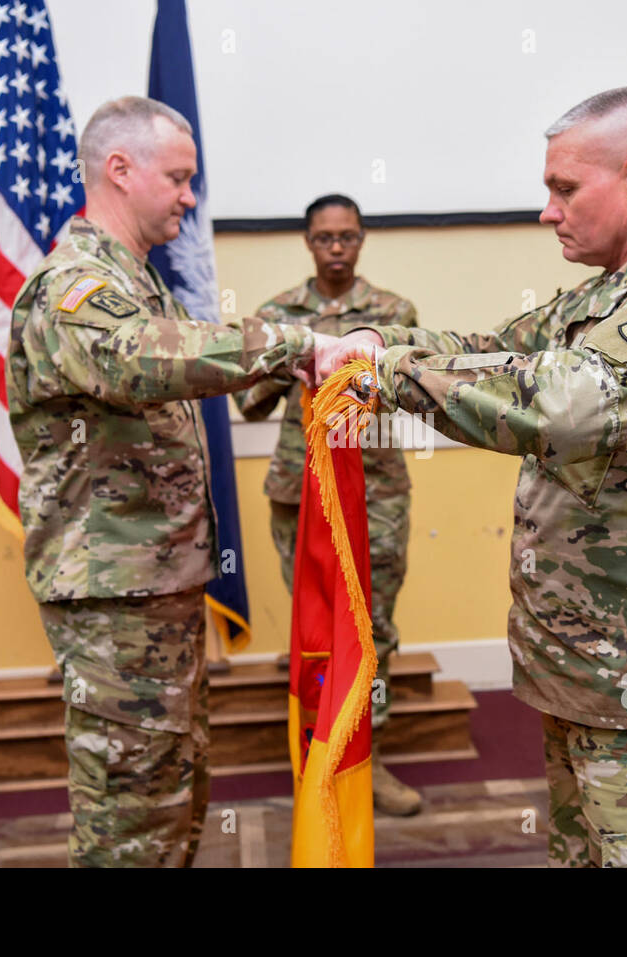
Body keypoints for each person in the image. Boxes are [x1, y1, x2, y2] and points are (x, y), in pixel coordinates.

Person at [320, 88, 627, 867]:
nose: (547, 211)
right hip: (589, 679)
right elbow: (491, 345)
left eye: (564, 189)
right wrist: (378, 338)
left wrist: (389, 371)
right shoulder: (607, 295)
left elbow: (561, 406)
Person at [6, 95, 334, 867]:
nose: (191, 197)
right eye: (180, 178)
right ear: (118, 170)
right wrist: (296, 344)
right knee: (131, 823)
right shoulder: (74, 287)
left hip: (154, 591)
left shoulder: (137, 282)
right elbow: (140, 358)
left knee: (171, 800)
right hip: (117, 600)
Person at [234, 194, 423, 817]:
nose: (336, 248)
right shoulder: (279, 314)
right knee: (316, 631)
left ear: (362, 240)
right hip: (301, 492)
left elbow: (413, 394)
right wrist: (293, 357)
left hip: (376, 492)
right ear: (307, 242)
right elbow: (250, 404)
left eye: (346, 237)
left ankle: (370, 762)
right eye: (324, 238)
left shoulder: (393, 312)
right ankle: (320, 757)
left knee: (376, 630)